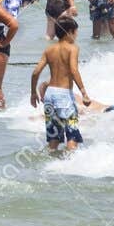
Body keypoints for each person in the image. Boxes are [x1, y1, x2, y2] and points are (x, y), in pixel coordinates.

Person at [31, 16, 90, 151]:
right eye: (76, 32)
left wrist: (33, 92)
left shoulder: (49, 50)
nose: (77, 35)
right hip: (64, 97)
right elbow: (74, 70)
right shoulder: (72, 48)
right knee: (72, 136)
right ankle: (69, 167)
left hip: (49, 95)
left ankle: (51, 164)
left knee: (54, 137)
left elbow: (35, 72)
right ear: (69, 32)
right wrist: (84, 93)